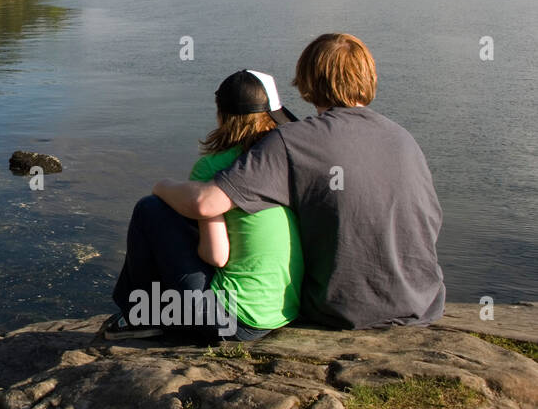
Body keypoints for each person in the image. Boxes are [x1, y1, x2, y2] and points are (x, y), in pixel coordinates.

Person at [151, 33, 445, 330]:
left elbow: (207, 203)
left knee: (154, 212)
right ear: (369, 77)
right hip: (421, 304)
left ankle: (147, 313)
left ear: (306, 81)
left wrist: (161, 186)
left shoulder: (293, 141)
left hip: (343, 310)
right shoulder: (402, 138)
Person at [101, 70, 304, 341]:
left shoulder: (212, 168)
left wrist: (162, 187)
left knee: (150, 209)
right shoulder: (278, 164)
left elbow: (216, 255)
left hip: (233, 321)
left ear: (221, 114)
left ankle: (142, 316)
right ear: (271, 117)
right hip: (282, 312)